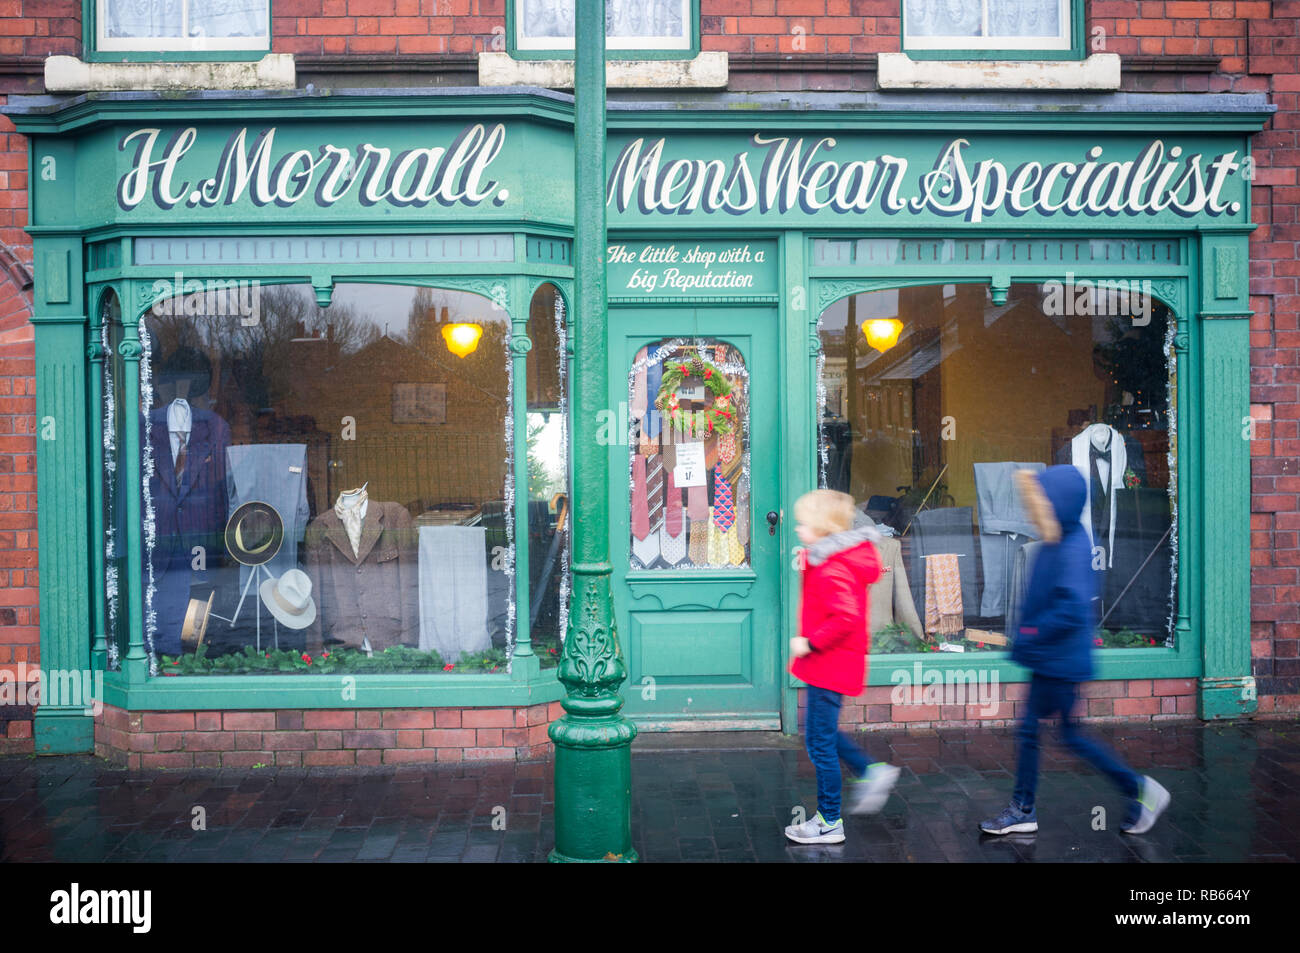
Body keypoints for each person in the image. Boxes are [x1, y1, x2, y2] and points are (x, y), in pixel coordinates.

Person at [981, 466, 1171, 836]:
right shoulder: (1061, 538)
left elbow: (1070, 609)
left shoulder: (1070, 546)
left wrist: (1030, 633)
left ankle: (1137, 790)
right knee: (1050, 733)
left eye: (1044, 502)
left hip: (1060, 661)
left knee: (1060, 735)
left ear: (1060, 504)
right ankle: (1025, 808)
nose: (1036, 509)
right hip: (1052, 657)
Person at [784, 490, 902, 845]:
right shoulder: (833, 558)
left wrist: (810, 642)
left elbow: (845, 618)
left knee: (819, 743)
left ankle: (829, 821)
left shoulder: (834, 565)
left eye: (804, 523)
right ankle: (871, 771)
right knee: (823, 733)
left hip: (829, 664)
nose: (799, 529)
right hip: (832, 665)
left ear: (823, 529)